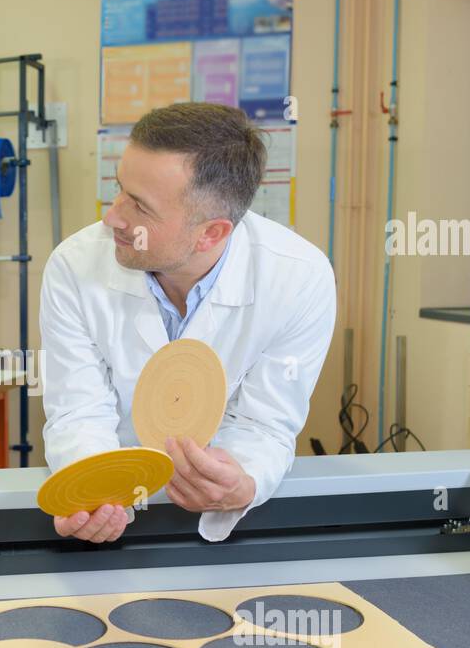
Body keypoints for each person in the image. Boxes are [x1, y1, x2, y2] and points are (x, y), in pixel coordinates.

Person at [40, 102, 336, 544]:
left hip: (222, 529)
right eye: (120, 190)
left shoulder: (299, 277)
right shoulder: (74, 265)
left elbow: (266, 423)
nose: (112, 216)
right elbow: (77, 409)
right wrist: (93, 492)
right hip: (113, 519)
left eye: (139, 206)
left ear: (211, 233)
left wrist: (242, 480)